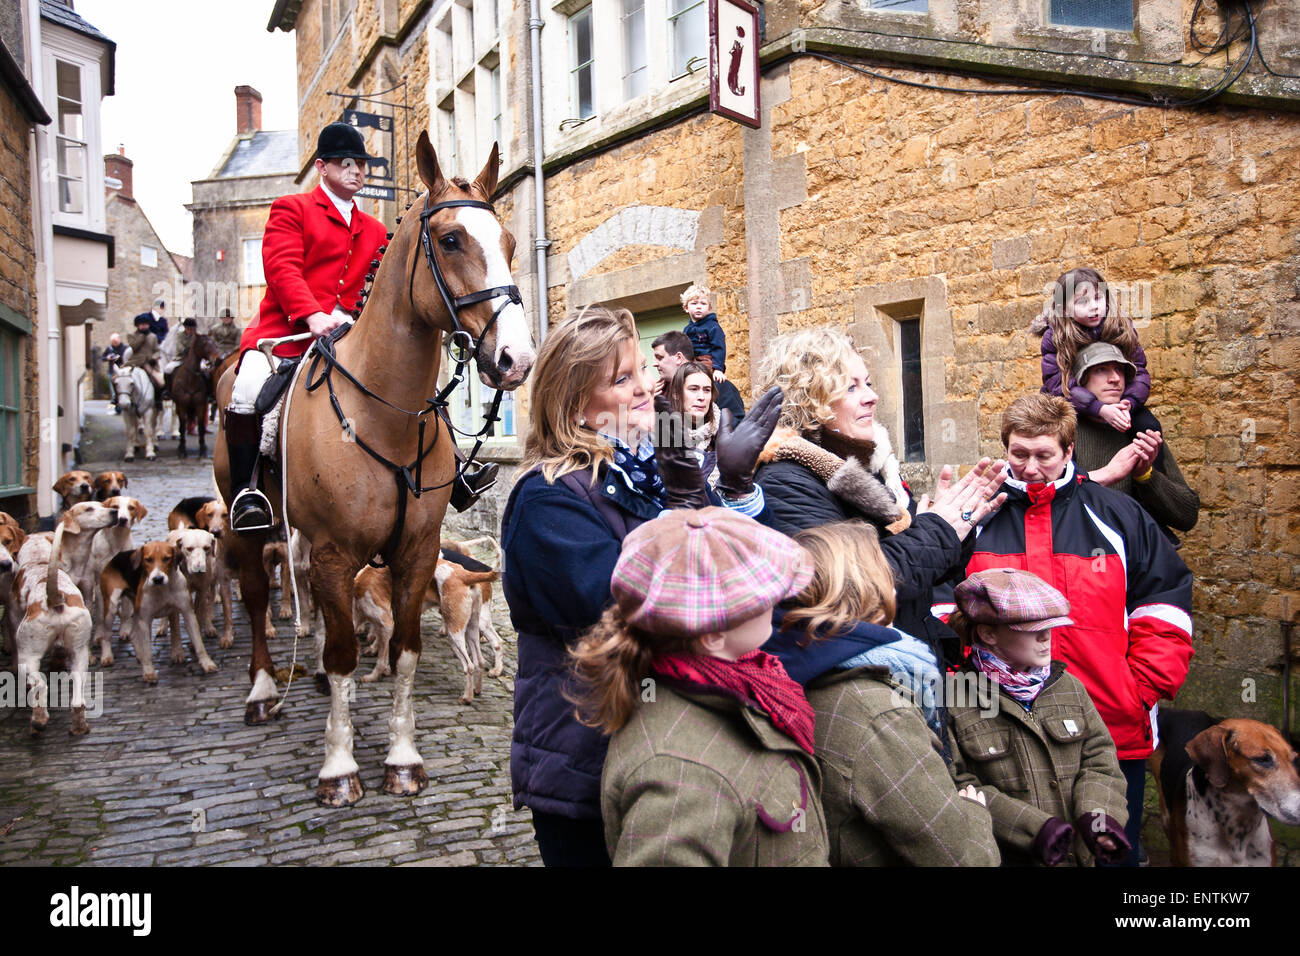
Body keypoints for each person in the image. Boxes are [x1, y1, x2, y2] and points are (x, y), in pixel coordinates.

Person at [500, 304, 783, 867]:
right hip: (589, 758)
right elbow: (630, 618)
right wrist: (686, 506)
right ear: (575, 401)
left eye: (641, 373)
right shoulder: (549, 499)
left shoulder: (657, 470)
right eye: (621, 378)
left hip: (677, 743)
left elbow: (757, 582)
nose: (643, 390)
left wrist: (734, 485)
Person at [948, 393, 1194, 866]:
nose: (1031, 467)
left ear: (1068, 450)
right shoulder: (975, 520)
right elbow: (942, 607)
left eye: (1044, 454)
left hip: (1112, 729)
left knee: (1108, 855)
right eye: (1019, 454)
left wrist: (1138, 689)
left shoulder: (1118, 516)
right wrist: (963, 689)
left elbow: (1165, 605)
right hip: (997, 736)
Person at [571, 506, 830, 866]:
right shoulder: (679, 771)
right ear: (712, 635)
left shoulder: (738, 682)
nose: (777, 598)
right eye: (758, 595)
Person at [753, 326, 1006, 670]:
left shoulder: (862, 468)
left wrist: (959, 525)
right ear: (809, 399)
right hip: (859, 682)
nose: (871, 396)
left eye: (868, 383)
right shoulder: (786, 481)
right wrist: (939, 529)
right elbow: (851, 589)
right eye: (851, 387)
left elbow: (925, 568)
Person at [766, 521, 999, 867]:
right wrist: (974, 812)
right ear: (871, 588)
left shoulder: (796, 671)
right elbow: (962, 858)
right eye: (884, 570)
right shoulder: (880, 715)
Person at [224, 121, 388, 533]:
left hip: (348, 339)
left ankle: (454, 468)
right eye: (346, 163)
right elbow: (281, 269)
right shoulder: (292, 208)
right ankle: (248, 493)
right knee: (245, 390)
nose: (356, 171)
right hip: (284, 335)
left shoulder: (376, 230)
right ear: (322, 167)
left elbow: (377, 287)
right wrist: (313, 314)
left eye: (362, 166)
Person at [945, 568, 1131, 867]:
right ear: (988, 633)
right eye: (1030, 628)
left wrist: (1099, 817)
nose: (1046, 637)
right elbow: (957, 784)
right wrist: (1034, 829)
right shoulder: (952, 699)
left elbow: (1099, 760)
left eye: (1051, 626)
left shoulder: (1068, 687)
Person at [1070, 341, 1199, 547]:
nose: (1115, 379)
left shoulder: (1141, 429)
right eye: (1101, 370)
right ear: (1082, 380)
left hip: (1138, 562)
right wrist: (1107, 474)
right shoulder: (1063, 433)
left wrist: (1145, 475)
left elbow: (1186, 515)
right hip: (1083, 559)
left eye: (1119, 370)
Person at [1037, 266, 1164, 468]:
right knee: (1058, 437)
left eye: (1098, 298)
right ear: (1063, 309)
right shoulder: (1056, 337)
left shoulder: (1121, 327)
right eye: (1082, 302)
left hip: (1118, 399)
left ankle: (1155, 478)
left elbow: (1139, 370)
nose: (1094, 307)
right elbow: (1057, 384)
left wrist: (1128, 403)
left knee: (1149, 428)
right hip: (1070, 402)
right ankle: (1072, 483)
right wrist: (1099, 409)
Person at [652, 329, 744, 420]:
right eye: (693, 389)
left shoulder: (719, 386)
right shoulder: (659, 395)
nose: (654, 364)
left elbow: (737, 428)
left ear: (679, 358)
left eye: (660, 358)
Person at [666, 360, 719, 487]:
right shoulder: (662, 438)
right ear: (676, 394)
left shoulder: (724, 433)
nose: (701, 397)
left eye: (707, 390)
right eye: (693, 389)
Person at [680, 283, 727, 385]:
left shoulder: (713, 326)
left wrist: (718, 369)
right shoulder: (687, 329)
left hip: (707, 359)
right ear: (686, 308)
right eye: (694, 303)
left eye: (703, 303)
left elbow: (719, 348)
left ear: (709, 307)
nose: (699, 307)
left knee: (702, 377)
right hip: (690, 360)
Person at [124, 312, 164, 409]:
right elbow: (134, 347)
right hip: (134, 362)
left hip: (148, 363)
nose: (144, 326)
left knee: (159, 382)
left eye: (145, 324)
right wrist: (142, 336)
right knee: (119, 377)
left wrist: (153, 358)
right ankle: (117, 399)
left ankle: (158, 401)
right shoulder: (131, 335)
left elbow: (157, 351)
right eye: (142, 325)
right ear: (137, 325)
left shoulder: (153, 337)